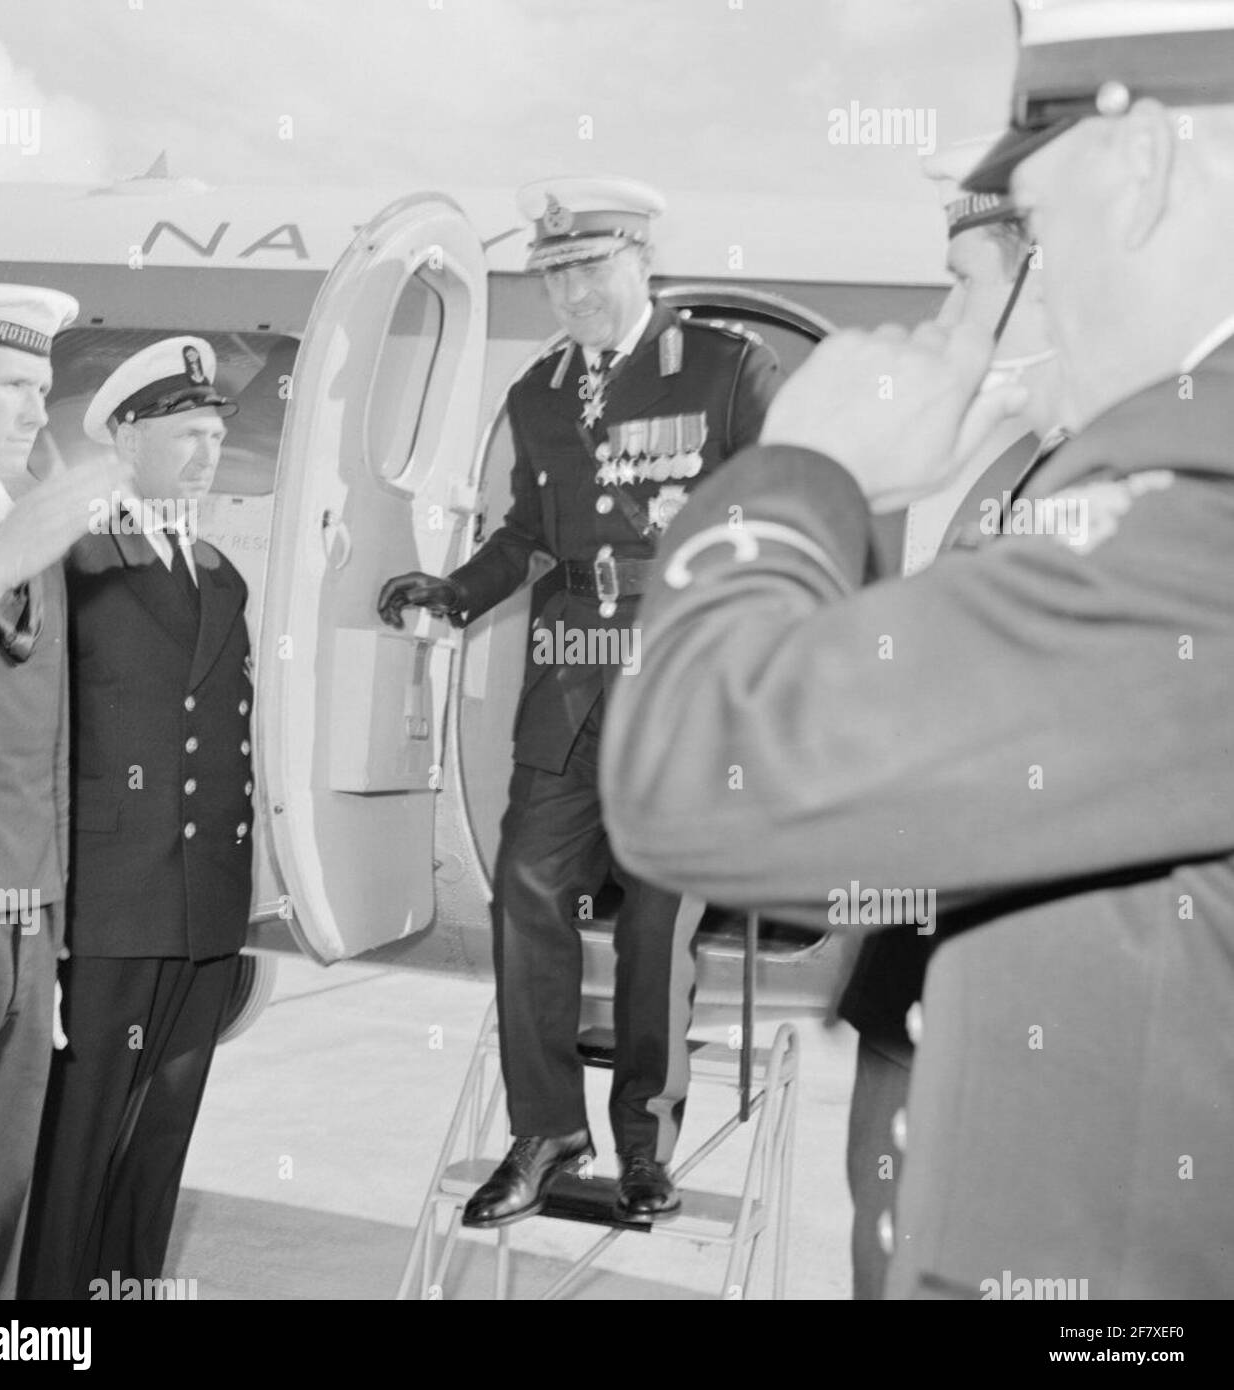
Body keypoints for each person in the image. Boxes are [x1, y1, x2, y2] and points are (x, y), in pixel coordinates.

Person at [600, 0, 1234, 1298]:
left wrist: (797, 469)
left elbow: (701, 773)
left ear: (1146, 162)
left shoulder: (1194, 513)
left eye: (1034, 230)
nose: (1018, 287)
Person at [378, 177, 779, 1225]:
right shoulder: (541, 392)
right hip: (564, 680)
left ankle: (645, 1144)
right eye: (553, 273)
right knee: (524, 889)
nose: (571, 291)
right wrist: (456, 591)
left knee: (658, 925)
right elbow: (526, 533)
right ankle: (547, 1128)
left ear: (641, 257)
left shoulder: (728, 370)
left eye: (588, 267)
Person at [840, 134, 1067, 1301]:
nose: (948, 307)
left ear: (1048, 275)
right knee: (879, 1193)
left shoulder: (1145, 465)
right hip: (936, 906)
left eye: (967, 277)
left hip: (1041, 934)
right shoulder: (1006, 454)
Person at [20, 337, 254, 1299]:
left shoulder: (222, 574)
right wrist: (43, 925)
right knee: (72, 1150)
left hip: (201, 913)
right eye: (183, 432)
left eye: (213, 433)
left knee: (159, 1142)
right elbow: (40, 745)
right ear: (123, 436)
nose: (204, 453)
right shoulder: (72, 565)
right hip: (105, 911)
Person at [0, 272, 124, 1298]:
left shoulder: (20, 535)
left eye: (38, 386)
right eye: (4, 382)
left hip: (17, 923)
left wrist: (49, 942)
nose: (32, 408)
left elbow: (52, 746)